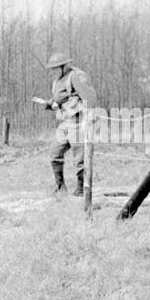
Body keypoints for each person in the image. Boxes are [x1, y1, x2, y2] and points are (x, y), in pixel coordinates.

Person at [33, 51, 96, 196]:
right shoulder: (57, 81)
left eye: (56, 68)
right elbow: (60, 100)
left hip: (78, 122)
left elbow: (90, 98)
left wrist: (86, 118)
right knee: (55, 153)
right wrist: (48, 103)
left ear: (64, 66)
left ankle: (81, 189)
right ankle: (60, 187)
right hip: (65, 122)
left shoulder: (74, 76)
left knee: (80, 158)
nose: (53, 71)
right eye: (52, 68)